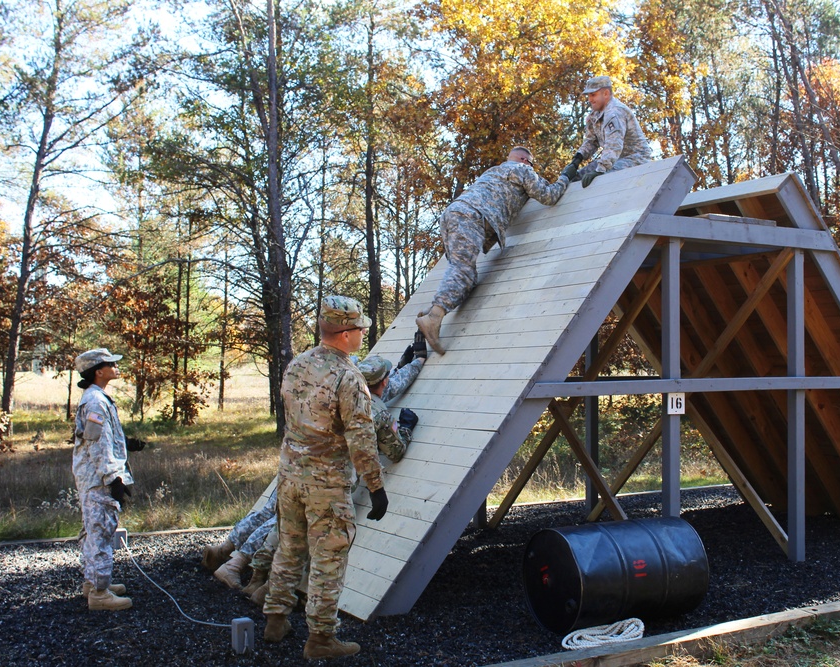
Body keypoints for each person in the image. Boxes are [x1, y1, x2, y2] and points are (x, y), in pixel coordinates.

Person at [245, 342, 427, 607]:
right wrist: (407, 429)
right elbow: (395, 451)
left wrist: (403, 366)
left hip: (298, 470)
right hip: (330, 485)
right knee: (317, 544)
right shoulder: (375, 412)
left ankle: (257, 582)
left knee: (286, 533)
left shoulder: (332, 390)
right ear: (384, 383)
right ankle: (282, 598)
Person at [263, 295, 389, 660]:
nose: (364, 332)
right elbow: (361, 437)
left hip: (289, 478)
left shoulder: (297, 364)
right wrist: (376, 487)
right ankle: (320, 638)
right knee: (328, 558)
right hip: (326, 486)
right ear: (346, 334)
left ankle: (275, 618)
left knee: (289, 547)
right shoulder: (348, 377)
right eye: (360, 327)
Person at [416, 146, 575, 354]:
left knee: (467, 276)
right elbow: (548, 196)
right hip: (471, 216)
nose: (532, 168)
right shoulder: (522, 170)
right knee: (463, 271)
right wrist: (566, 177)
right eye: (532, 164)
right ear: (524, 160)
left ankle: (430, 310)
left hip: (454, 213)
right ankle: (434, 317)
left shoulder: (493, 172)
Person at [72, 348, 135, 611]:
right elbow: (97, 444)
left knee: (93, 529)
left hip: (92, 475)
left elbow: (97, 436)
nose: (116, 367)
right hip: (98, 479)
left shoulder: (96, 397)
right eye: (110, 364)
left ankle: (93, 582)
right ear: (98, 371)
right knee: (100, 532)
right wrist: (113, 479)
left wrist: (127, 443)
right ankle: (100, 593)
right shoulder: (96, 401)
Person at [567, 75, 653, 189]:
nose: (590, 100)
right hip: (615, 159)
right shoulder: (595, 115)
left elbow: (614, 145)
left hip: (635, 159)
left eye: (593, 95)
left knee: (602, 179)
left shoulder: (615, 113)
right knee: (576, 179)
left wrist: (600, 170)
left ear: (606, 94)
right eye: (588, 96)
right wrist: (576, 160)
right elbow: (591, 141)